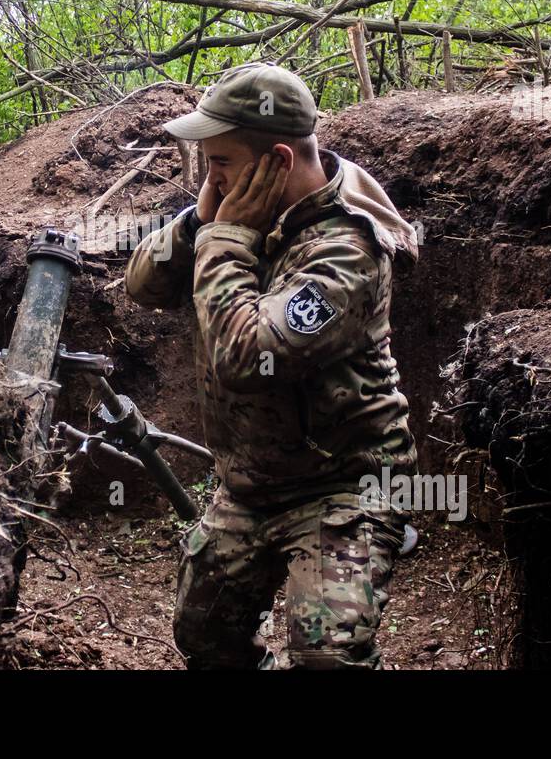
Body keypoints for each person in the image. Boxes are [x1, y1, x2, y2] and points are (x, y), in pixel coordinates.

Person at [125, 62, 419, 669]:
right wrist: (202, 224)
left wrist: (224, 240)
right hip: (250, 484)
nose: (211, 177)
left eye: (221, 164)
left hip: (345, 485)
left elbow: (246, 355)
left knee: (326, 658)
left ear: (277, 161)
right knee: (204, 637)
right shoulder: (243, 214)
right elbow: (143, 286)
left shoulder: (349, 250)